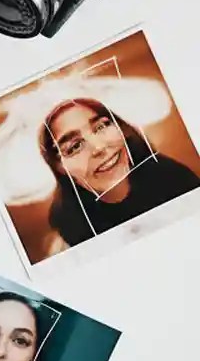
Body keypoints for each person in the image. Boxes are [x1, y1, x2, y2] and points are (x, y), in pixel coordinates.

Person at [40, 97, 200, 248]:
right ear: (59, 167)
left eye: (101, 127)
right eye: (74, 147)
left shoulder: (172, 177)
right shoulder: (67, 227)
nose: (98, 147)